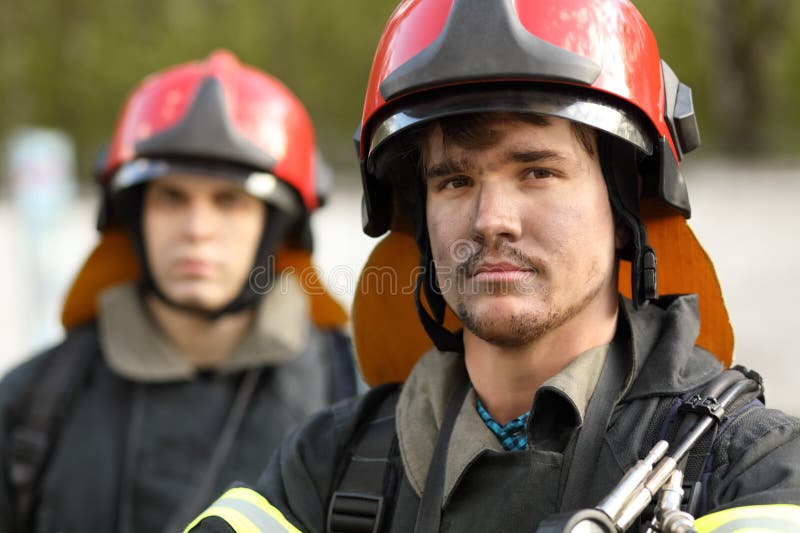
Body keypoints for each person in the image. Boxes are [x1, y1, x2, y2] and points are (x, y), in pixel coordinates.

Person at [184, 1, 800, 532]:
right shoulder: (325, 467)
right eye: (455, 180)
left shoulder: (744, 470)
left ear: (623, 207)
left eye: (537, 171)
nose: (491, 220)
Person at [0, 50, 358, 533]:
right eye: (171, 197)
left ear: (278, 228)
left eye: (228, 201)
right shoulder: (31, 408)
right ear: (133, 217)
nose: (197, 229)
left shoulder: (356, 402)